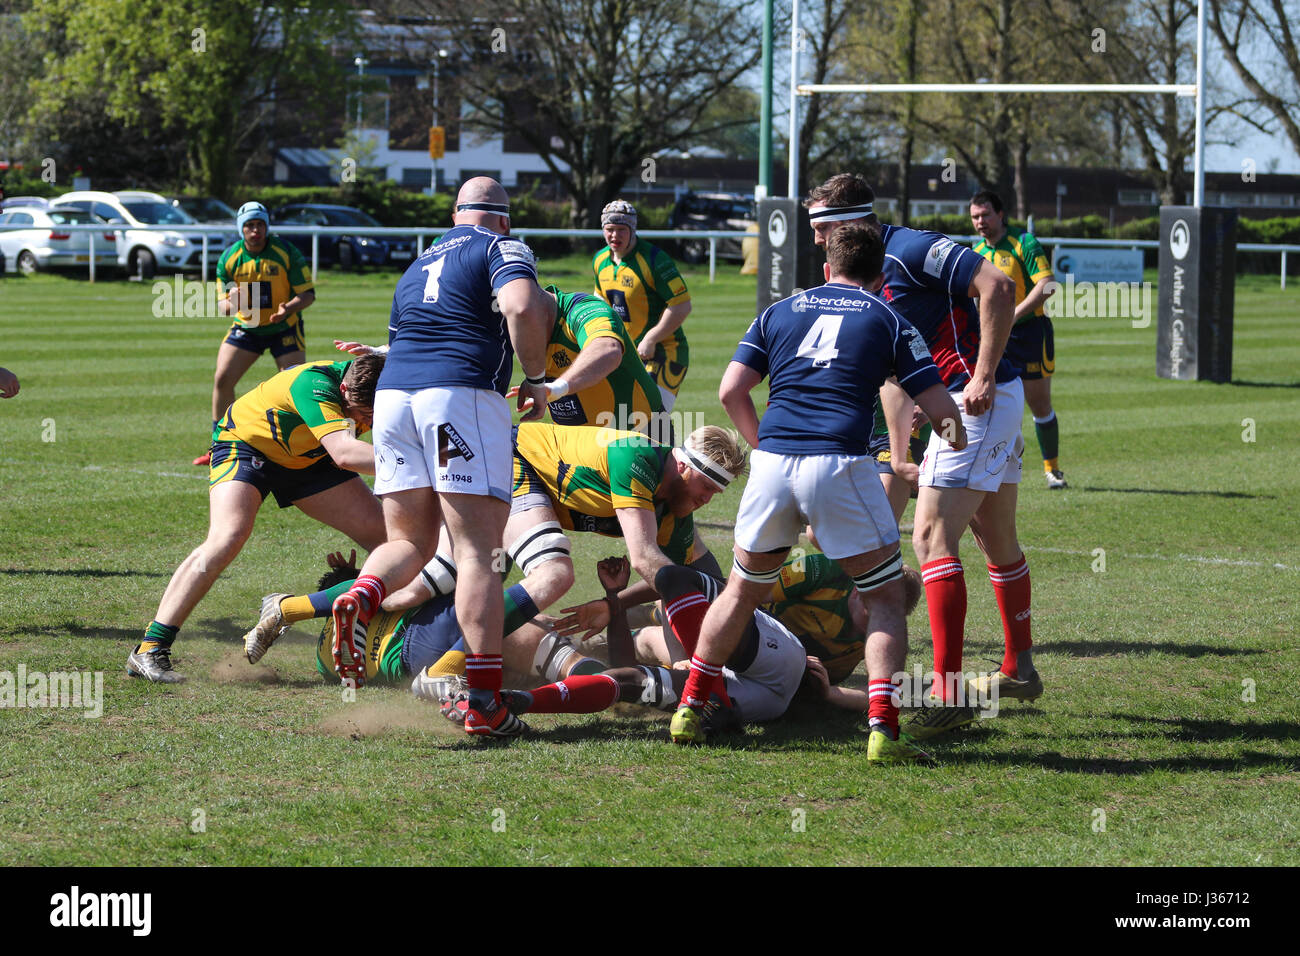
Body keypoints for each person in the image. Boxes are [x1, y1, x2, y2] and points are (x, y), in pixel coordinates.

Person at [668, 223, 966, 761]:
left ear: (826, 268)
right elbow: (943, 411)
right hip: (840, 465)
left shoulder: (778, 311)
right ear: (881, 277)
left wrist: (762, 446)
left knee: (739, 593)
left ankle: (692, 704)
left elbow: (731, 389)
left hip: (773, 465)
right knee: (884, 598)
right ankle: (884, 730)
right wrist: (956, 435)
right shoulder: (889, 317)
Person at [804, 174, 1042, 740]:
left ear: (849, 220)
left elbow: (1000, 287)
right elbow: (892, 371)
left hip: (973, 397)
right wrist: (897, 445)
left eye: (820, 227)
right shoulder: (859, 275)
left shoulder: (909, 249)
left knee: (931, 535)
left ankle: (947, 691)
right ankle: (1018, 667)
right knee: (995, 535)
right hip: (963, 400)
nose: (815, 240)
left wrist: (983, 374)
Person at [330, 177, 552, 739]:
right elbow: (522, 305)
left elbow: (402, 340)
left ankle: (362, 596)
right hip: (459, 394)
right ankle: (482, 700)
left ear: (455, 214)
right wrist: (536, 377)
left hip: (393, 399)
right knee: (478, 551)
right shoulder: (501, 245)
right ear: (501, 218)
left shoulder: (417, 261)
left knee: (409, 542)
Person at [128, 356, 388, 683]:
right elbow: (346, 454)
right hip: (249, 445)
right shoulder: (314, 384)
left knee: (392, 543)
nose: (364, 420)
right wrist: (424, 461)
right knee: (228, 536)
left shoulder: (387, 383)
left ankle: (384, 637)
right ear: (344, 388)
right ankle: (149, 649)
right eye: (360, 412)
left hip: (310, 457)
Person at [502, 420, 743, 627]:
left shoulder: (675, 511)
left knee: (484, 579)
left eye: (716, 493)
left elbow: (669, 579)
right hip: (513, 458)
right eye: (707, 487)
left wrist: (612, 604)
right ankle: (468, 665)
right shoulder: (638, 457)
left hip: (537, 485)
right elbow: (645, 559)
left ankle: (472, 658)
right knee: (552, 575)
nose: (706, 499)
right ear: (683, 466)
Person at [194, 202, 316, 467]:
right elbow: (222, 306)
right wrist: (234, 302)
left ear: (266, 227)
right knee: (222, 379)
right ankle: (220, 446)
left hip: (284, 327)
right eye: (249, 225)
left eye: (260, 224)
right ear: (242, 229)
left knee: (296, 386)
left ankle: (301, 448)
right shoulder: (229, 258)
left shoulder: (286, 252)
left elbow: (308, 294)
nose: (255, 230)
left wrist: (288, 308)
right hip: (247, 328)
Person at [969, 190, 1065, 489]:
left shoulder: (1024, 243)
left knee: (1039, 405)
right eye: (975, 217)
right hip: (994, 338)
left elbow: (1047, 286)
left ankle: (1052, 469)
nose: (980, 222)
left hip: (1030, 334)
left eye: (985, 215)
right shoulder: (976, 252)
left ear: (1000, 215)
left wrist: (1011, 316)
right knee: (992, 403)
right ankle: (996, 466)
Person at [592, 200, 692, 412]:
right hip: (628, 354)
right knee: (623, 418)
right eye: (609, 229)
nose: (615, 236)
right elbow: (600, 299)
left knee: (652, 417)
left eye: (621, 230)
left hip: (664, 354)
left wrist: (651, 338)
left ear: (632, 229)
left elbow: (682, 305)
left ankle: (668, 445)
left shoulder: (655, 259)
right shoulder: (599, 260)